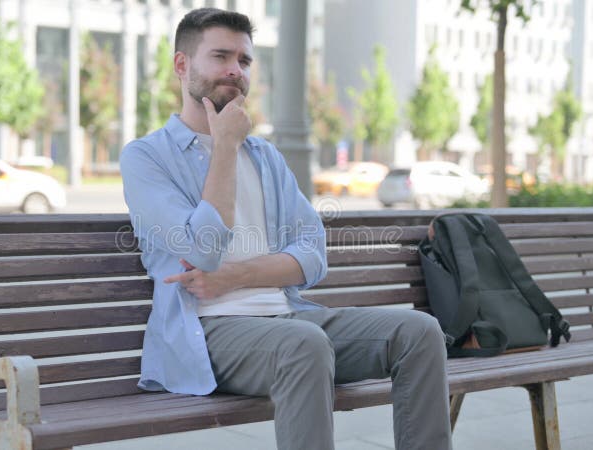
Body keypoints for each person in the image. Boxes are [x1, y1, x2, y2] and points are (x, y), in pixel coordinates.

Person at [120, 8, 452, 450]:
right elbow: (203, 250)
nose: (235, 71)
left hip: (290, 318)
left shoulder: (265, 157)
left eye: (244, 60)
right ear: (182, 65)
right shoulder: (146, 158)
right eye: (221, 56)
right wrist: (224, 146)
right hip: (207, 332)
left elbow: (314, 254)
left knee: (419, 332)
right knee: (304, 344)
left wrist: (238, 276)